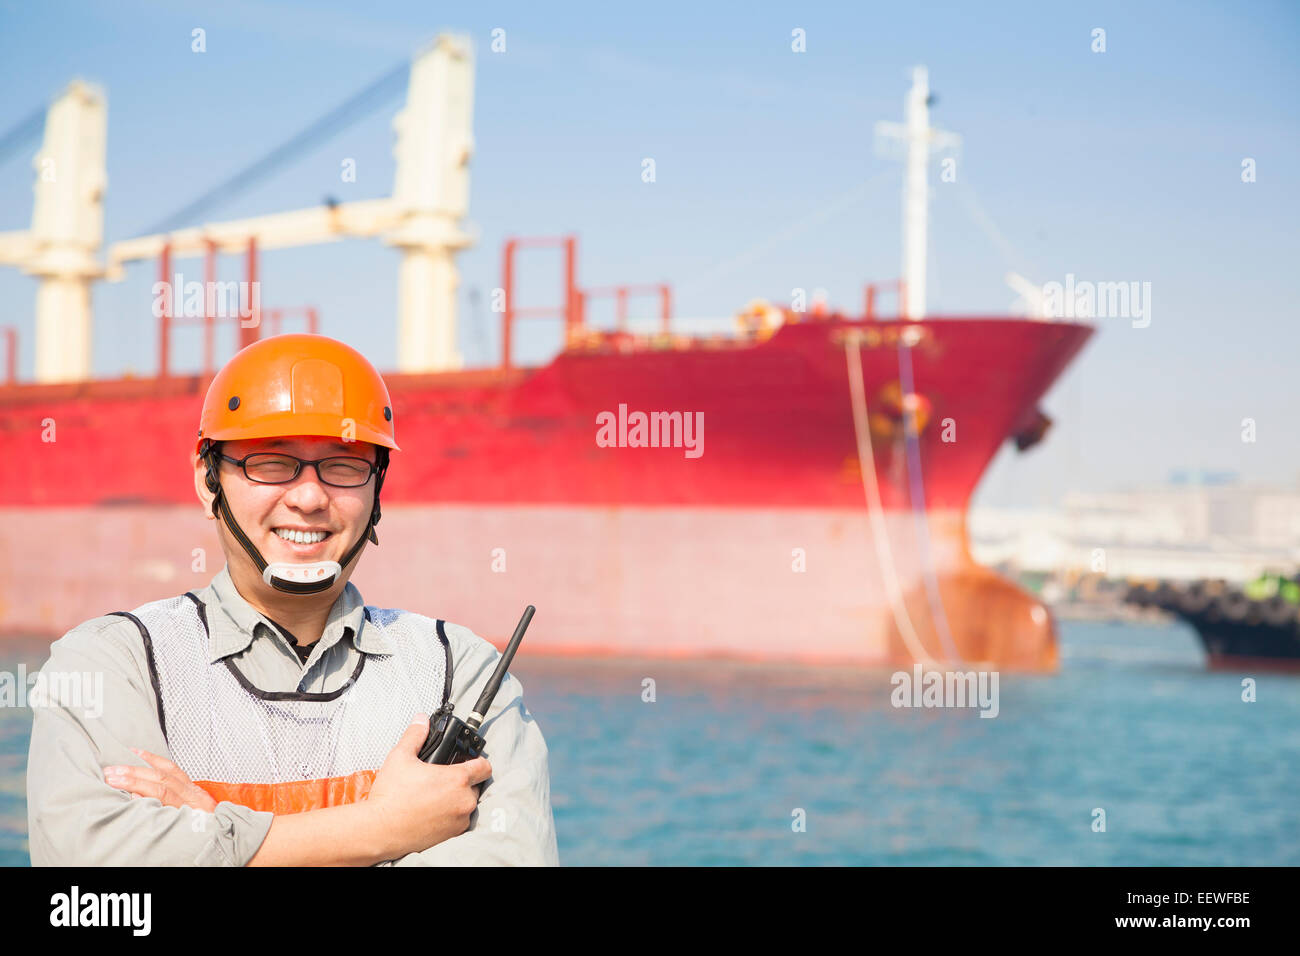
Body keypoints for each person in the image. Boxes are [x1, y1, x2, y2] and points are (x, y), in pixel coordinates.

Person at [26, 333, 559, 865]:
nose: (308, 497)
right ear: (207, 481)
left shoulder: (459, 672)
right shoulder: (116, 665)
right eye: (271, 462)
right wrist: (385, 829)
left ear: (377, 491)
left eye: (345, 465)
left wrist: (214, 838)